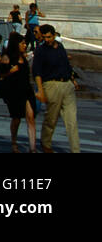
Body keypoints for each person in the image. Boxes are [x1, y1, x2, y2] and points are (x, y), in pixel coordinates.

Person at [32, 25, 81, 154]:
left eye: (49, 37)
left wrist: (73, 80)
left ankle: (75, 150)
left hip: (67, 85)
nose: (47, 39)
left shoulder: (60, 47)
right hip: (51, 85)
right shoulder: (41, 51)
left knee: (72, 120)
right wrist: (41, 91)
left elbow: (66, 65)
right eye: (44, 37)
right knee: (51, 118)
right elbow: (36, 72)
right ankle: (46, 142)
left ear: (54, 35)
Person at [0, 32, 36, 153]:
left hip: (26, 89)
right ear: (16, 44)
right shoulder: (7, 57)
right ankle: (14, 143)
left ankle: (32, 148)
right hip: (13, 91)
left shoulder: (23, 57)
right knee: (16, 118)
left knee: (31, 116)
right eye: (22, 43)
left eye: (25, 43)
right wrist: (11, 71)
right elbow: (0, 74)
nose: (25, 45)